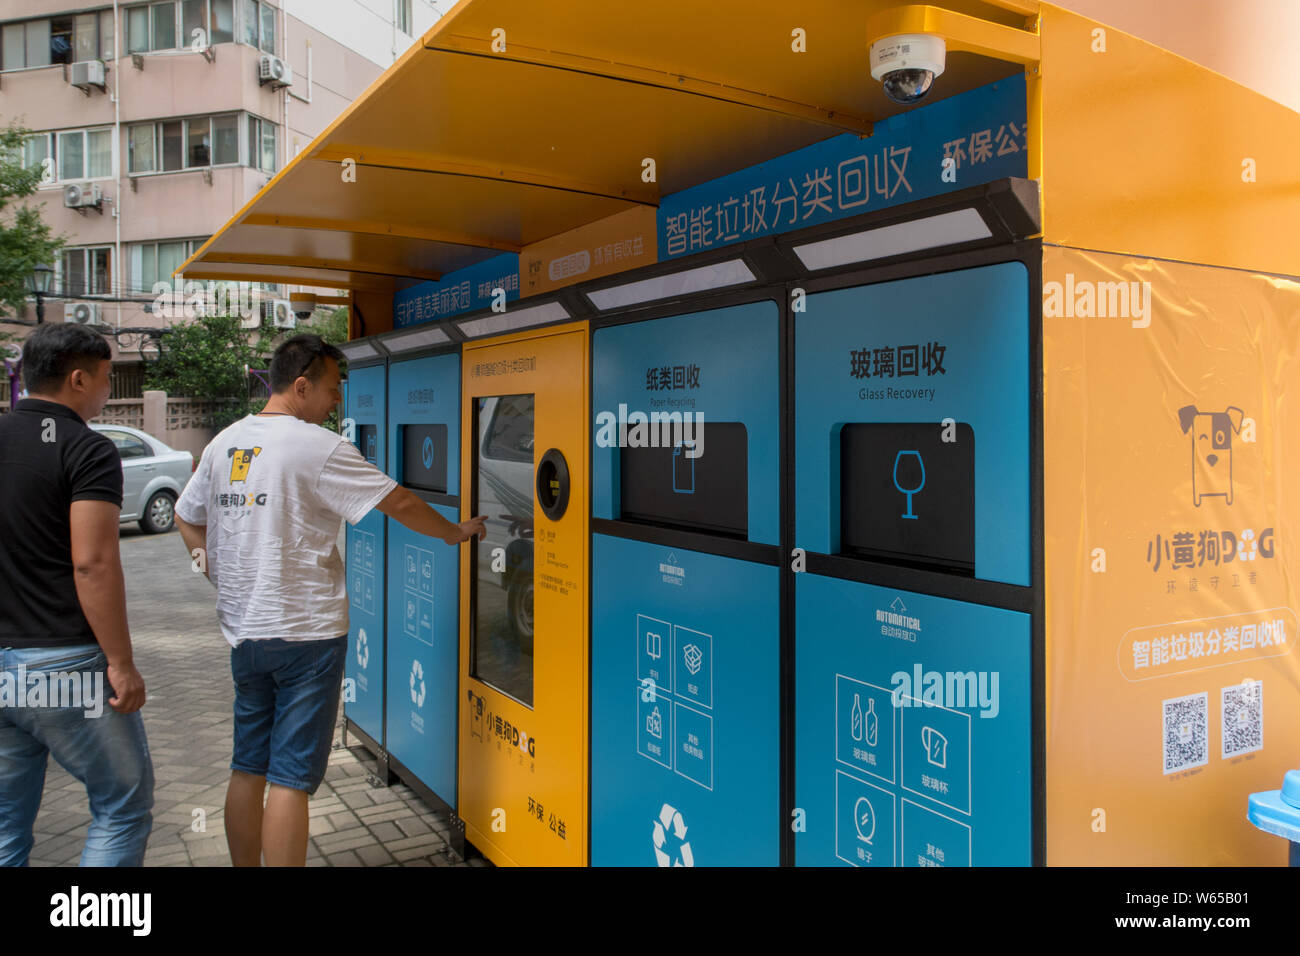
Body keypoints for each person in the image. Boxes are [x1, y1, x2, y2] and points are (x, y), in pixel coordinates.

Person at [175, 334, 485, 867]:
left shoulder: (225, 441)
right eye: (332, 388)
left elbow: (186, 515)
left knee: (248, 765)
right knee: (291, 777)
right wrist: (453, 533)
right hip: (308, 636)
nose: (337, 401)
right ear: (301, 385)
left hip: (246, 634)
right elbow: (401, 500)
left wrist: (214, 571)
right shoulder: (318, 446)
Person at [0, 323, 153, 866]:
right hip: (64, 662)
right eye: (108, 379)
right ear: (78, 378)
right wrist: (121, 662)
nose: (108, 391)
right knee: (122, 806)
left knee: (5, 826)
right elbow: (92, 563)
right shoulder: (87, 449)